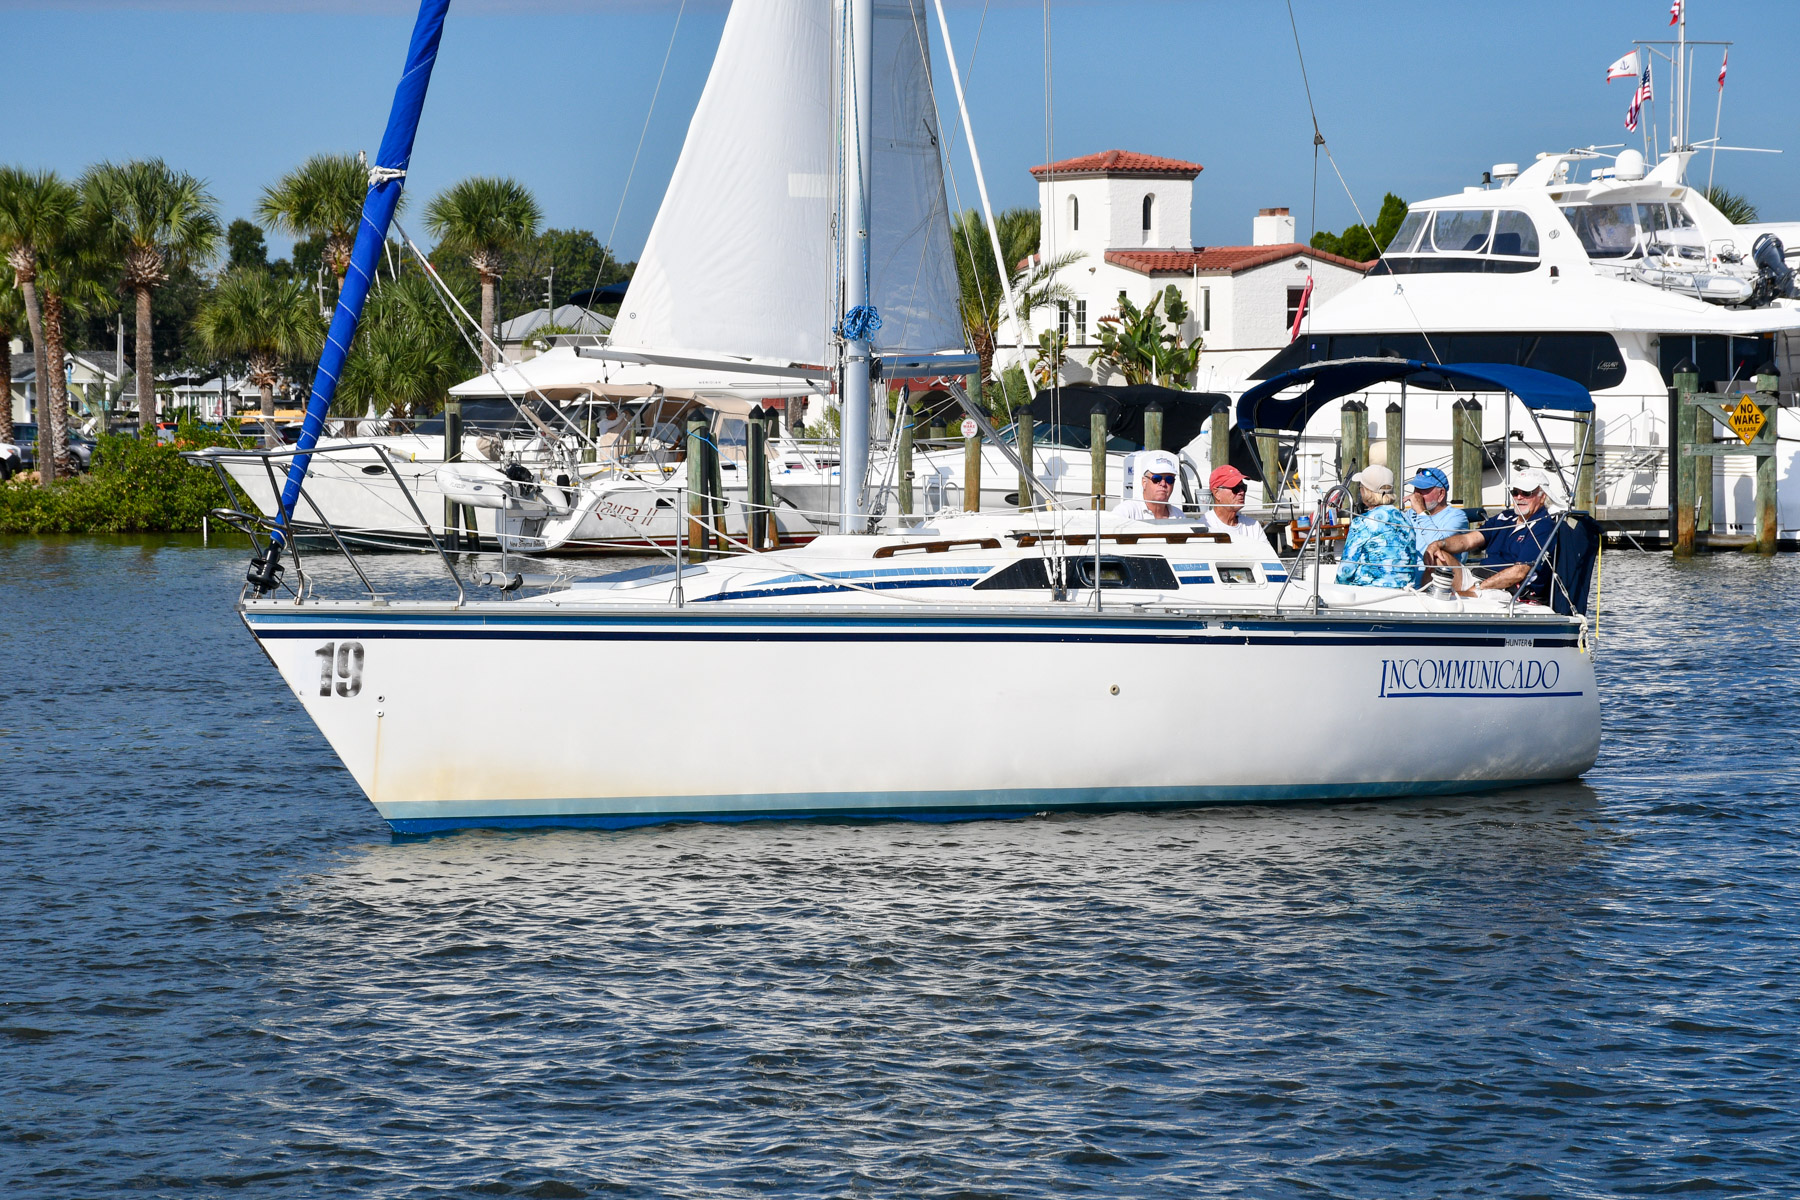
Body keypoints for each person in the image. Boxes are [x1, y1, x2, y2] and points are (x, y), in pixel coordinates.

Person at [1425, 470, 1558, 601]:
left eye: (1526, 493)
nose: (1519, 497)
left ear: (1543, 496)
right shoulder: (1505, 517)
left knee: (1453, 597)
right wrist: (1438, 544)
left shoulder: (1543, 525)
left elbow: (1519, 572)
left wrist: (1478, 587)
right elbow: (1468, 540)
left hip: (1508, 589)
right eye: (1515, 492)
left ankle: (1440, 603)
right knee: (1438, 556)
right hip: (1479, 578)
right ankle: (1425, 598)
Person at [1335, 465, 1422, 587]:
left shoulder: (1362, 522)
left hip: (1370, 593)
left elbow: (1345, 571)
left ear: (1365, 491)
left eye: (1360, 487)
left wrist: (1336, 589)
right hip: (1404, 590)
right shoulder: (1405, 519)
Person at [1404, 466, 1469, 559]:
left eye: (1423, 490)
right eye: (1415, 489)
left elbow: (1438, 546)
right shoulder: (1410, 514)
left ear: (1441, 494)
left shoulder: (1456, 516)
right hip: (1410, 571)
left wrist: (1421, 512)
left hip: (1437, 572)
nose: (1416, 495)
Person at [1201, 464, 1270, 548]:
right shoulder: (1204, 526)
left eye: (1243, 487)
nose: (1242, 492)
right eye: (1235, 488)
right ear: (1217, 493)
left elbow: (1268, 558)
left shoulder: (1253, 526)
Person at [1111, 450, 1189, 521]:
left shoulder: (1179, 515)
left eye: (1169, 479)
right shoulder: (1126, 511)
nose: (1163, 484)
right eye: (1156, 479)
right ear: (1144, 482)